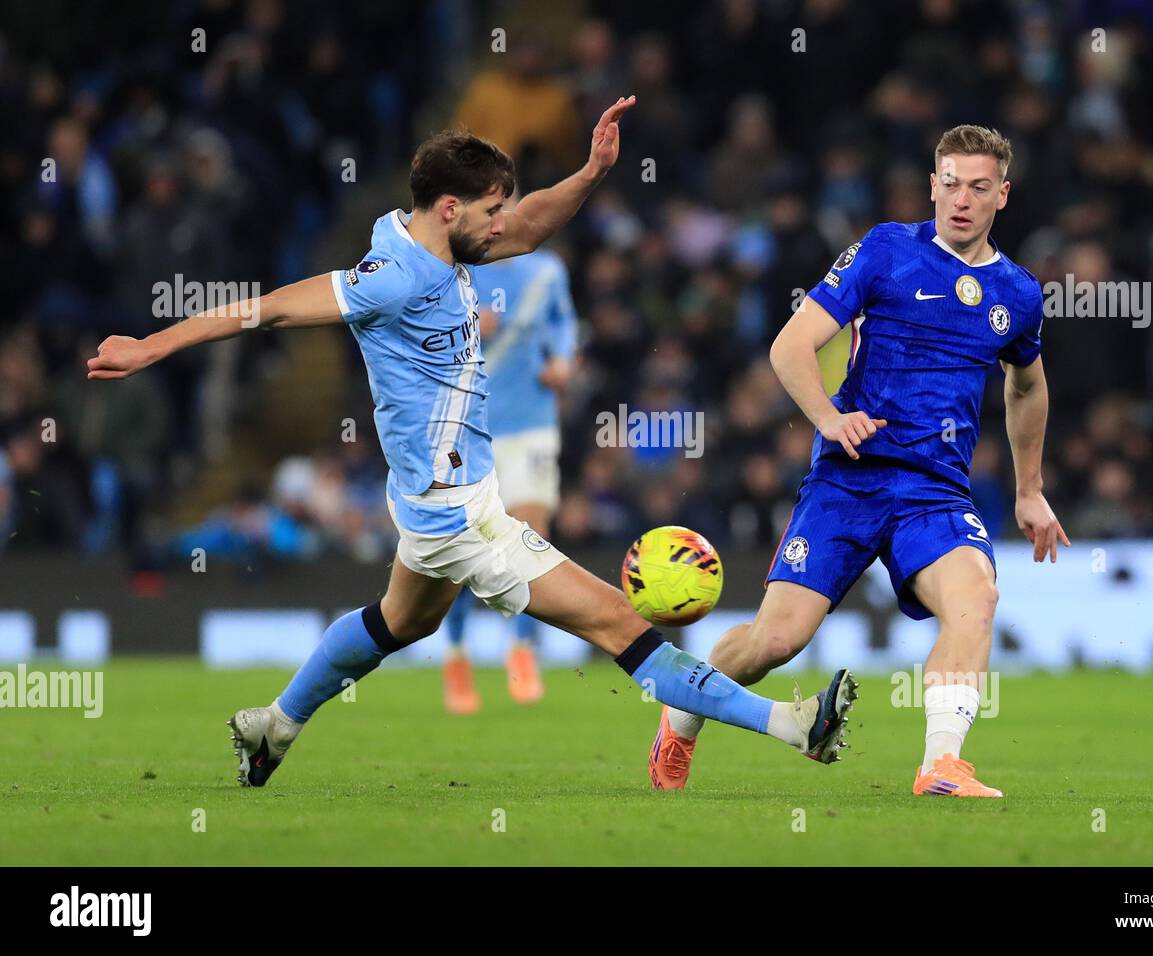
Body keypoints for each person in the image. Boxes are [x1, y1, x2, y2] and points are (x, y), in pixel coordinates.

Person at [87, 98, 858, 787]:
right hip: (460, 515)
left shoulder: (442, 238)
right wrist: (151, 346)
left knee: (400, 623)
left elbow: (530, 225)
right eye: (491, 210)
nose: (502, 224)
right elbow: (271, 309)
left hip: (436, 498)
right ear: (450, 207)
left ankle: (274, 727)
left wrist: (591, 172)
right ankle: (794, 727)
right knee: (620, 625)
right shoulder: (389, 275)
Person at [648, 125, 1070, 798]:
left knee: (978, 597)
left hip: (934, 491)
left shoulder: (1017, 293)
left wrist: (1030, 490)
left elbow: (1027, 386)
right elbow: (790, 347)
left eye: (979, 187)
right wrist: (827, 418)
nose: (962, 200)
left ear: (1003, 195)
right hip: (848, 479)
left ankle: (941, 764)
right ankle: (679, 718)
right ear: (933, 186)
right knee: (774, 642)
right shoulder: (885, 251)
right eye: (951, 184)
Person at [439, 208, 577, 713]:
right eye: (489, 208)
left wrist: (562, 360)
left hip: (532, 421)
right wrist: (467, 324)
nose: (497, 219)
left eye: (504, 206)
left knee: (530, 535)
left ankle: (521, 651)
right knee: (463, 543)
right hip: (469, 424)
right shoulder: (454, 270)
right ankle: (457, 655)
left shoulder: (546, 270)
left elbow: (564, 322)